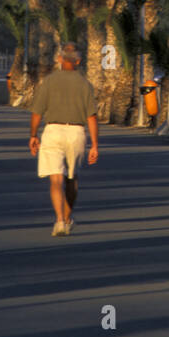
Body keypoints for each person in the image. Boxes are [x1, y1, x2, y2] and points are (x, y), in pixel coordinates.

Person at [29, 43, 100, 236]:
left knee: (55, 179)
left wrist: (33, 135)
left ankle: (59, 220)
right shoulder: (85, 84)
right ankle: (68, 218)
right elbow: (91, 117)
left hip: (53, 131)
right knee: (72, 178)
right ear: (78, 61)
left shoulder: (49, 82)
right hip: (76, 133)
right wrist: (94, 144)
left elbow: (37, 113)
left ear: (60, 59)